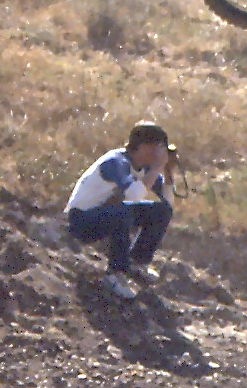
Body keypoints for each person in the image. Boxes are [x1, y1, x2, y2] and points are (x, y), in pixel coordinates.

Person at [64, 121, 175, 300]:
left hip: (106, 215)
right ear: (144, 147)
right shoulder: (116, 162)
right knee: (122, 212)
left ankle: (138, 263)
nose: (159, 154)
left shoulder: (144, 168)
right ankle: (115, 274)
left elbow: (167, 203)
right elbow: (134, 195)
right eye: (158, 148)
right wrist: (156, 168)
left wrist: (168, 174)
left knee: (161, 211)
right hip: (81, 220)